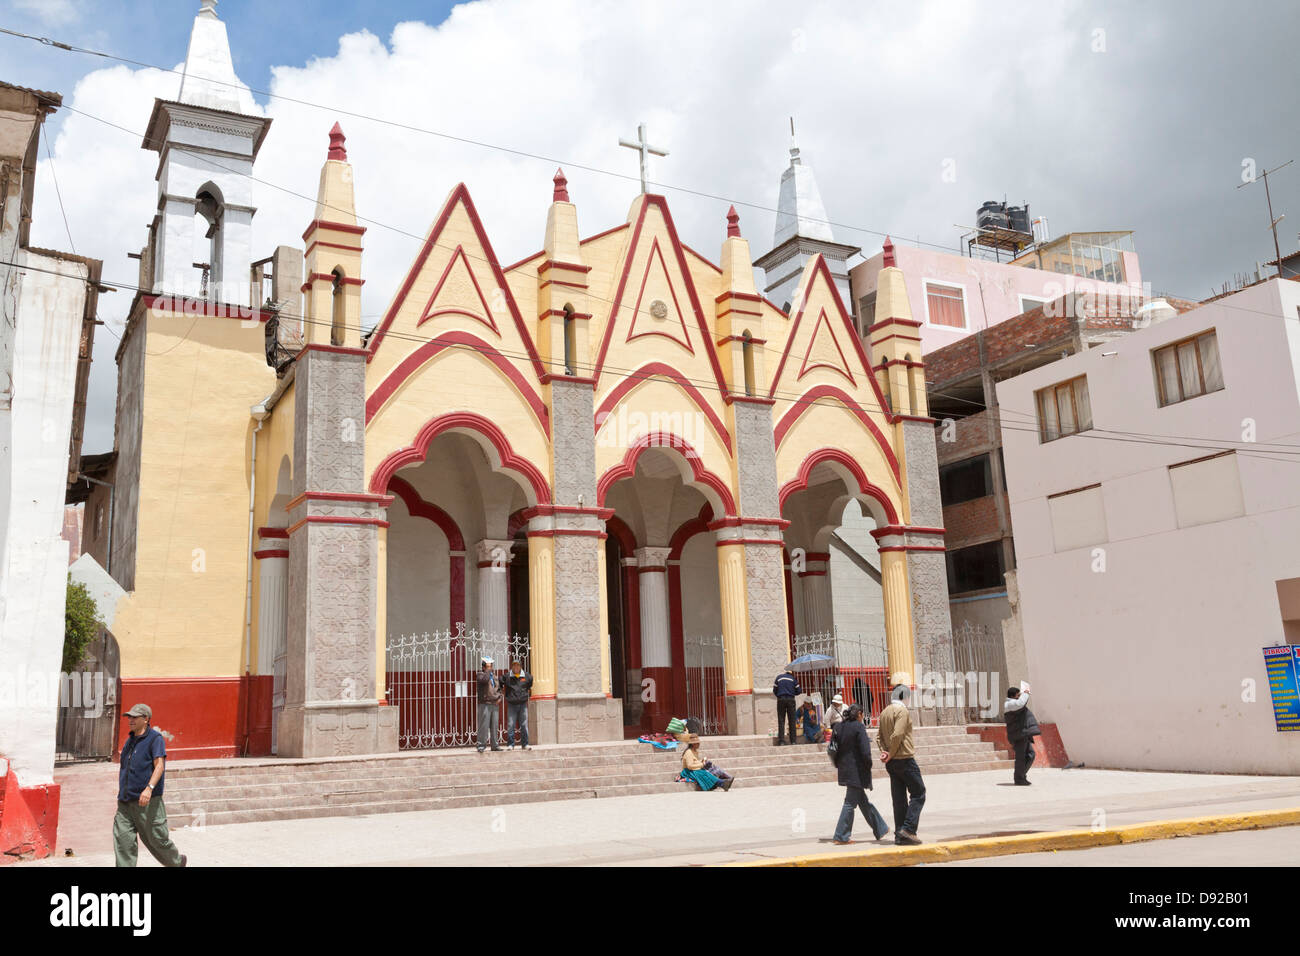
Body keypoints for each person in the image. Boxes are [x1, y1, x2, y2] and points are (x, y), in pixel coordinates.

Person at [114, 703, 186, 868]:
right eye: (129, 717)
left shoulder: (155, 739)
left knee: (156, 839)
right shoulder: (129, 740)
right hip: (125, 802)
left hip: (147, 801)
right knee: (123, 842)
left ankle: (177, 862)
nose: (130, 720)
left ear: (145, 719)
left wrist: (149, 788)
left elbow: (159, 765)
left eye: (134, 717)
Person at [831, 704, 889, 844]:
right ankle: (841, 836)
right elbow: (865, 751)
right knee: (850, 803)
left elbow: (834, 748)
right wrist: (868, 765)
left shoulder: (839, 727)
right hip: (856, 770)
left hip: (844, 769)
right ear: (859, 714)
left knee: (862, 801)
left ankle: (880, 828)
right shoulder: (859, 727)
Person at [878, 676, 925, 846]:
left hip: (892, 762)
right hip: (904, 759)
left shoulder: (884, 712)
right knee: (919, 793)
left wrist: (884, 752)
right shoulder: (902, 711)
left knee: (899, 799)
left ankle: (900, 835)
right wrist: (890, 752)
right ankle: (909, 829)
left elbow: (879, 736)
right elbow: (897, 734)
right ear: (904, 696)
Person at [1004, 681, 1041, 785]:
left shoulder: (1014, 704)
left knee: (1030, 755)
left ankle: (1020, 776)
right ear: (1013, 696)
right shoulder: (1009, 704)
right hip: (1018, 736)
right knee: (1021, 758)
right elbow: (1020, 703)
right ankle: (1019, 778)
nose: (1020, 697)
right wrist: (1026, 692)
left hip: (1023, 734)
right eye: (1018, 695)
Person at [503, 659, 534, 751]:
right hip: (512, 705)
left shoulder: (527, 677)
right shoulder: (507, 676)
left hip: (523, 704)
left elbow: (529, 686)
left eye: (518, 665)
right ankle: (510, 744)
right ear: (512, 667)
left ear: (521, 666)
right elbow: (501, 683)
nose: (516, 667)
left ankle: (525, 744)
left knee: (524, 724)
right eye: (514, 665)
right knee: (511, 724)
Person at [476, 655, 503, 753]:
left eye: (491, 666)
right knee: (484, 725)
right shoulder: (480, 675)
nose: (490, 668)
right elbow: (484, 680)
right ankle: (481, 745)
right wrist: (487, 671)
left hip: (494, 703)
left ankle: (495, 745)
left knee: (494, 725)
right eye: (488, 666)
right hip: (485, 704)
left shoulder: (494, 676)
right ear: (483, 667)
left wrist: (499, 697)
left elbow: (499, 688)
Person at [772, 669, 802, 745]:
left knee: (781, 720)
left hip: (781, 700)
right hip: (791, 700)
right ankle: (793, 741)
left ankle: (781, 741)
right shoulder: (793, 679)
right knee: (792, 720)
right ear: (791, 673)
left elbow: (774, 690)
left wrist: (779, 696)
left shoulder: (779, 677)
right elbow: (799, 691)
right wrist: (792, 693)